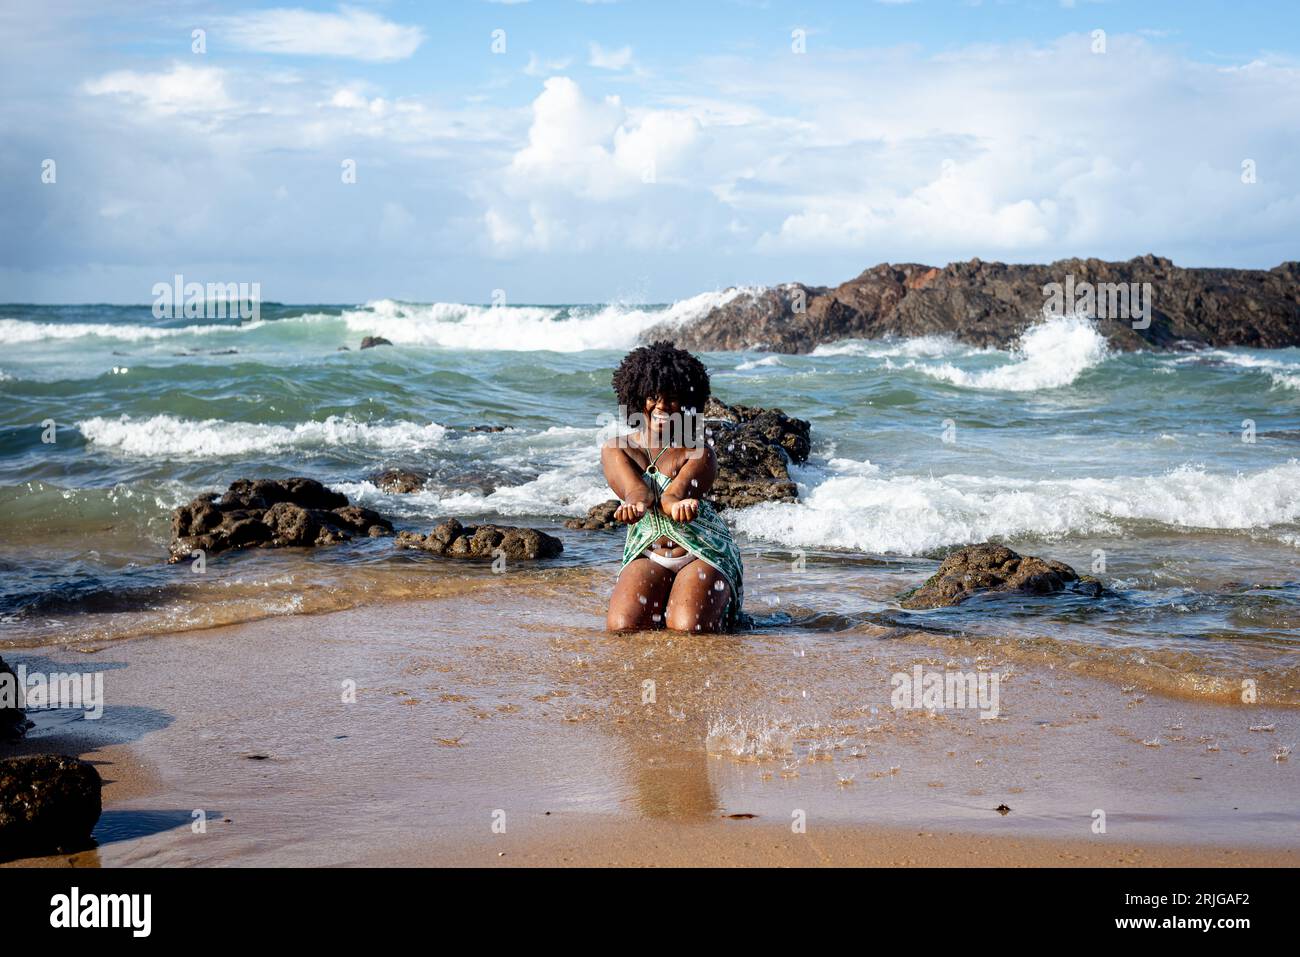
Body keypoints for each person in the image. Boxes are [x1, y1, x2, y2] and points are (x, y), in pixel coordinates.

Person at [601, 340, 744, 633]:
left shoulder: (698, 451)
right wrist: (634, 506)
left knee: (688, 627)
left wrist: (679, 505)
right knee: (622, 626)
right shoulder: (617, 449)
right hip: (648, 551)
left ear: (688, 402)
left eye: (673, 397)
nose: (662, 406)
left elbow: (673, 496)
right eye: (653, 396)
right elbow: (635, 492)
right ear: (637, 396)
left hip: (703, 550)